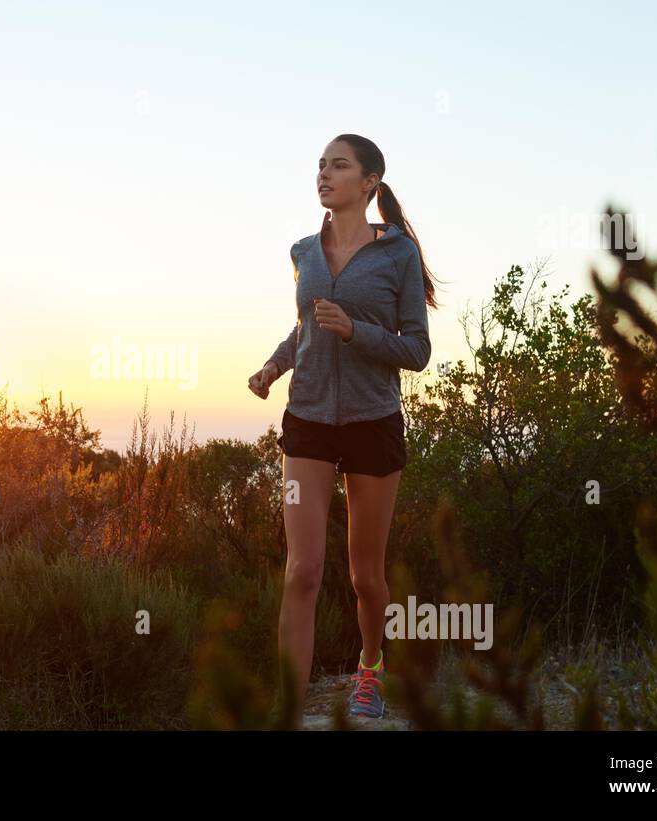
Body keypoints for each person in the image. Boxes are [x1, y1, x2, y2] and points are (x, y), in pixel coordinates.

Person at [248, 134, 439, 725]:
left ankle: (371, 667)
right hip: (306, 421)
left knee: (365, 576)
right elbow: (305, 326)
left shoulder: (398, 254)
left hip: (371, 424)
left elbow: (418, 349)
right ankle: (287, 704)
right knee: (302, 569)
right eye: (320, 166)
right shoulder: (303, 250)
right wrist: (275, 366)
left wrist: (357, 332)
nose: (324, 175)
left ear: (369, 184)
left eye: (339, 165)